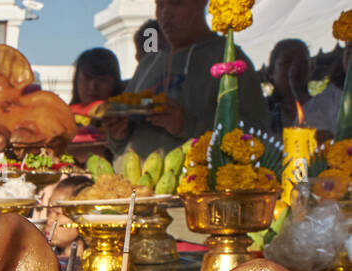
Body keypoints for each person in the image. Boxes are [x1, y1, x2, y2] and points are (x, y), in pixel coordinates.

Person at [104, 0, 267, 156]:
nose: (165, 14)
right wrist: (119, 133)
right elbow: (122, 144)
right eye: (159, 5)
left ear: (201, 3)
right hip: (135, 182)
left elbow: (257, 136)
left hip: (198, 182)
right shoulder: (149, 63)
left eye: (176, 3)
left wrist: (187, 125)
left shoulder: (228, 59)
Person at [69, 48, 124, 162]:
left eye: (102, 80)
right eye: (87, 78)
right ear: (76, 79)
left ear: (114, 84)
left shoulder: (124, 123)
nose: (93, 86)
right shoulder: (61, 118)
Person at [265, 39, 313, 135]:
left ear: (312, 67)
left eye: (302, 61)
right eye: (287, 62)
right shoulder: (263, 110)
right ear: (271, 72)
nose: (295, 67)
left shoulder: (325, 107)